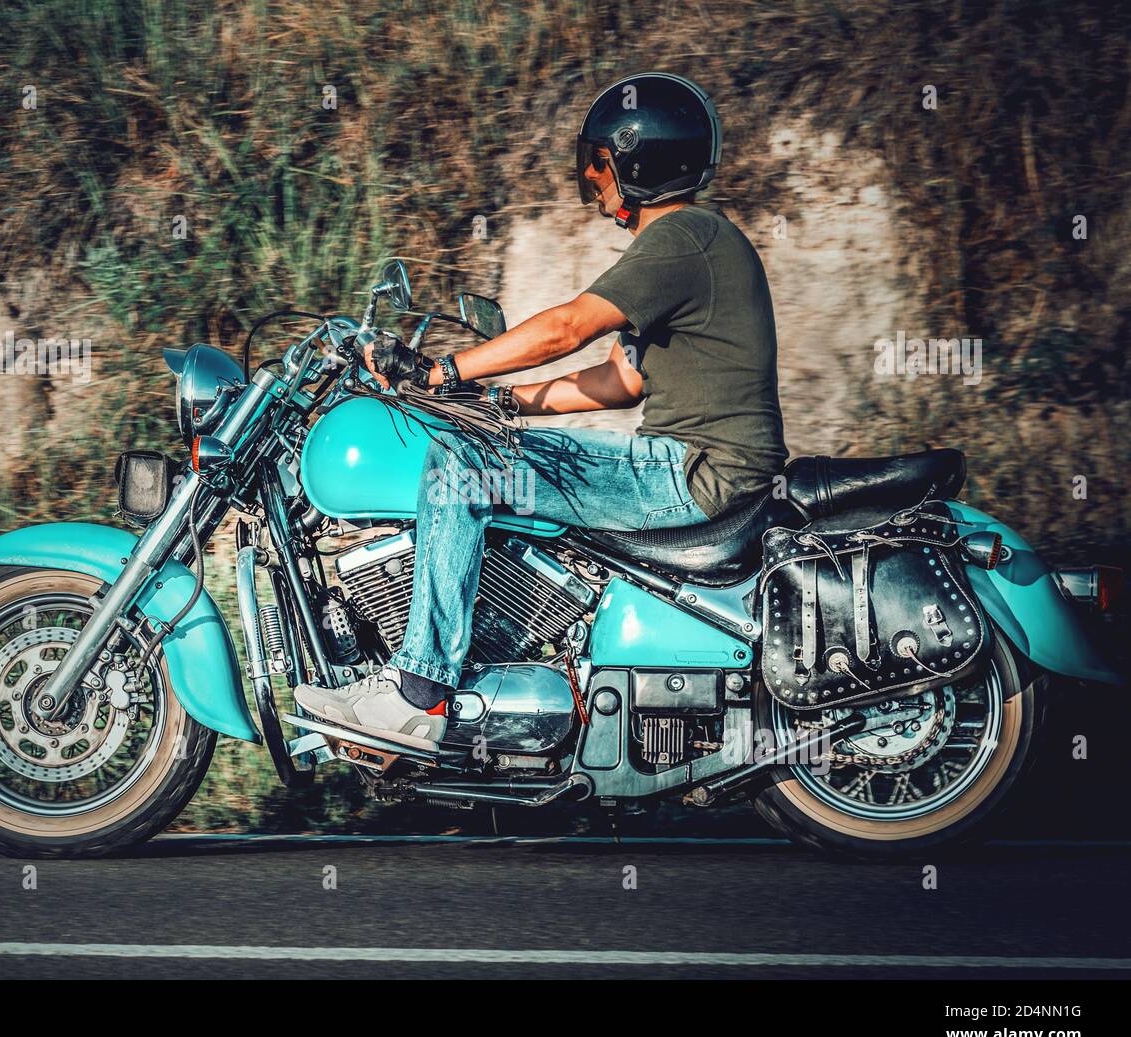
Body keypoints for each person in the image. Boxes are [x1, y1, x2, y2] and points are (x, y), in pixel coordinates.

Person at [294, 72, 787, 750]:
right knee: (482, 445)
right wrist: (499, 401)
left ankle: (418, 692)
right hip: (690, 465)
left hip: (690, 472)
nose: (592, 175)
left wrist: (445, 368)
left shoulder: (684, 238)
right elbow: (619, 380)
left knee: (462, 463)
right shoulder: (695, 245)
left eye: (601, 161)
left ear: (639, 161)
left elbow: (568, 329)